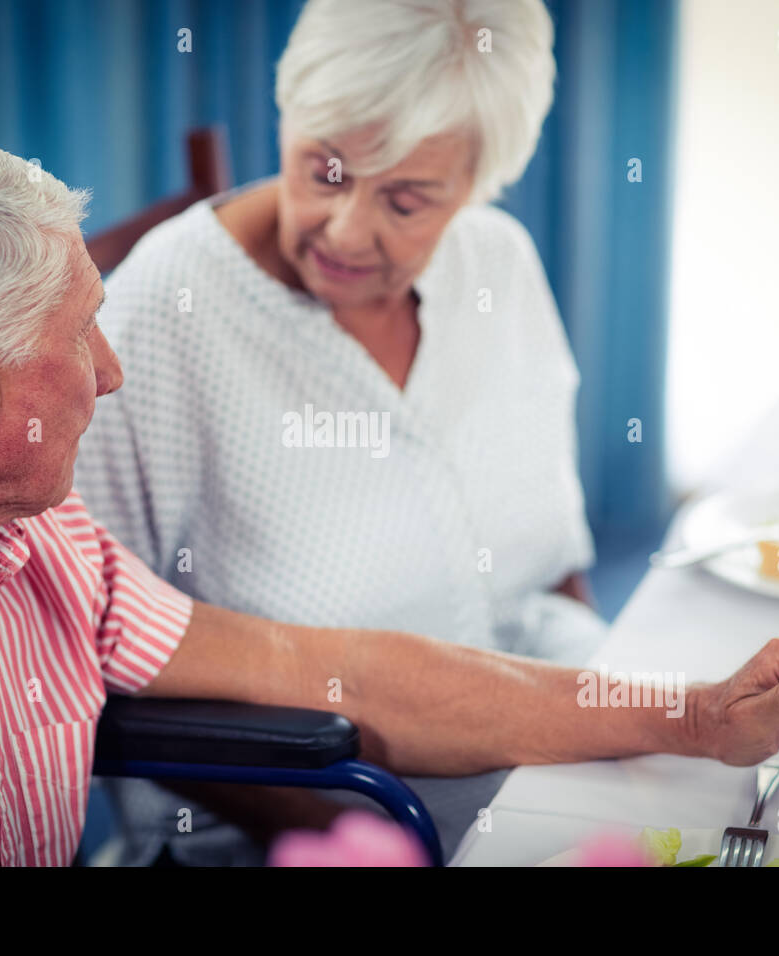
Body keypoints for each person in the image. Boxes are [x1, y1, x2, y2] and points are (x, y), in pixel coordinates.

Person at [0, 135, 779, 867]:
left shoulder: (31, 529)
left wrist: (695, 712)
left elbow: (342, 670)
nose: (110, 368)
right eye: (82, 330)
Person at [75, 0, 593, 863]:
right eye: (325, 170)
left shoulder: (500, 264)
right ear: (287, 116)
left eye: (408, 201)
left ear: (477, 184)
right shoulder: (165, 310)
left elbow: (559, 570)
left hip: (546, 785)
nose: (347, 232)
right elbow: (92, 659)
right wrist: (381, 845)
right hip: (328, 826)